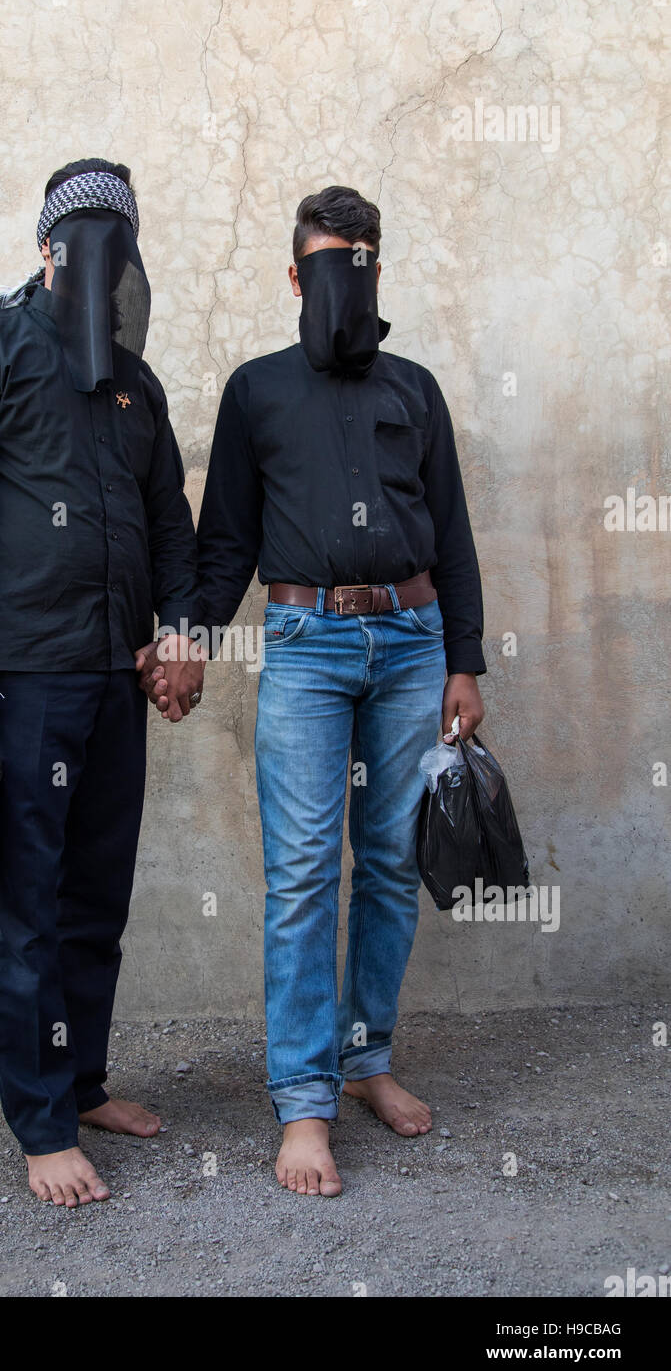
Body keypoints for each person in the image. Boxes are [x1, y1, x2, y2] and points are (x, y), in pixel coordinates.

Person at [143, 185, 485, 1197]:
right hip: (303, 641)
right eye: (329, 259)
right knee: (301, 872)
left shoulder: (414, 390)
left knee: (385, 861)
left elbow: (454, 533)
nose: (347, 275)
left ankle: (366, 1058)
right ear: (296, 275)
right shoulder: (256, 391)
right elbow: (226, 539)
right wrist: (185, 634)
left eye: (363, 257)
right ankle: (304, 1102)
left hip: (413, 639)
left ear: (379, 270)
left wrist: (465, 660)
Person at [0, 158, 204, 1208]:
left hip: (114, 681)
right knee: (32, 902)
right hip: (24, 681)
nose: (96, 257)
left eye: (114, 240)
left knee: (95, 898)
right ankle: (39, 1124)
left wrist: (181, 634)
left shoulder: (136, 383)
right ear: (44, 246)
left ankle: (79, 1083)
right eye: (77, 235)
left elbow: (170, 525)